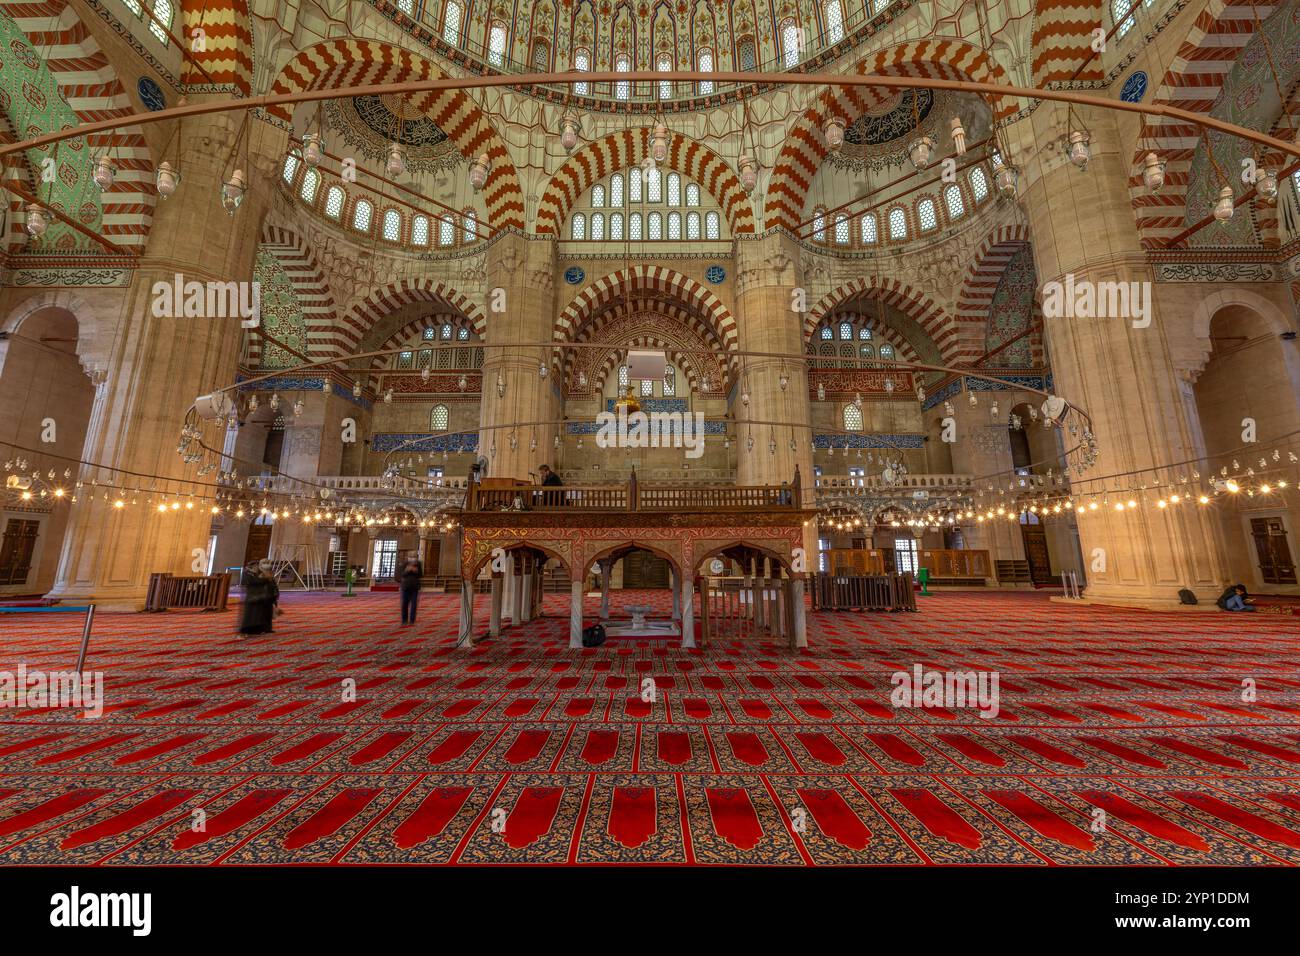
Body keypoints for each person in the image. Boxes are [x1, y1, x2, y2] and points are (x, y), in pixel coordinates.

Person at [238, 559, 280, 636]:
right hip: (253, 597)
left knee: (266, 613)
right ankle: (249, 630)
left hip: (264, 596)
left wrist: (274, 595)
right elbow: (253, 582)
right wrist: (265, 579)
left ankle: (265, 628)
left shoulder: (260, 573)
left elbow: (272, 584)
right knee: (252, 615)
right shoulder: (248, 574)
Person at [400, 555, 423, 625]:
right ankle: (404, 620)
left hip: (415, 587)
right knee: (404, 604)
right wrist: (407, 570)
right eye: (411, 556)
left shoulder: (418, 564)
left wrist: (416, 571)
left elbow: (421, 575)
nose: (412, 558)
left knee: (414, 604)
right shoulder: (404, 564)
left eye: (414, 556)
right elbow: (401, 574)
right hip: (405, 586)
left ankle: (412, 621)